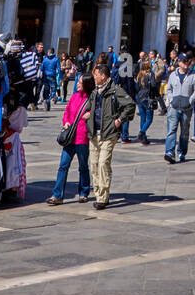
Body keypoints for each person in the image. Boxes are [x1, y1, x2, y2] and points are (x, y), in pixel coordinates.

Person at [84, 64, 135, 209]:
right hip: (94, 133)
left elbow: (130, 104)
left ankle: (103, 197)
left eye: (96, 75)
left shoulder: (115, 90)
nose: (94, 77)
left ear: (103, 76)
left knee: (103, 164)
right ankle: (98, 193)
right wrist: (87, 115)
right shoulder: (95, 91)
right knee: (93, 165)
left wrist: (119, 120)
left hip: (109, 133)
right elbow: (89, 106)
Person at [48, 74, 93, 203]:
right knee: (63, 166)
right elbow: (67, 111)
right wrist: (66, 121)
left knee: (83, 166)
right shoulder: (74, 96)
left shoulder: (92, 99)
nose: (77, 84)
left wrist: (90, 115)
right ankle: (57, 195)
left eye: (80, 82)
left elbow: (97, 113)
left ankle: (84, 192)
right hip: (70, 137)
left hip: (82, 138)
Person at [164, 54, 195, 163]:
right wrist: (171, 100)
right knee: (171, 130)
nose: (186, 63)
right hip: (174, 108)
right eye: (184, 61)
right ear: (179, 62)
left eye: (187, 61)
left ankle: (182, 151)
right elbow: (168, 89)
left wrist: (190, 101)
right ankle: (169, 152)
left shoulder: (193, 75)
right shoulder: (172, 75)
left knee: (184, 132)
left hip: (186, 108)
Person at [134, 56, 157, 144]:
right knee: (149, 119)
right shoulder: (150, 74)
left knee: (143, 118)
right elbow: (154, 85)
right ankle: (142, 133)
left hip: (139, 98)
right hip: (148, 98)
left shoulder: (139, 75)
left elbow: (137, 87)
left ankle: (143, 138)